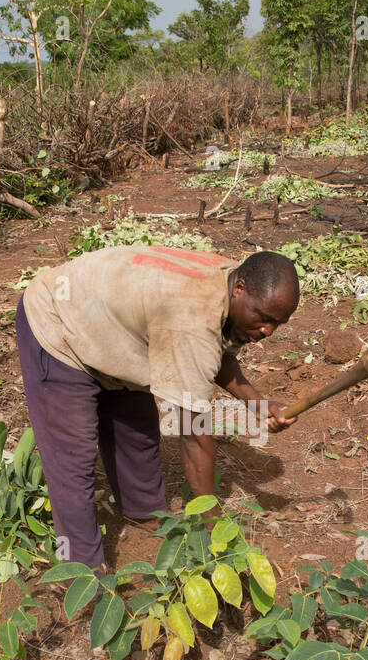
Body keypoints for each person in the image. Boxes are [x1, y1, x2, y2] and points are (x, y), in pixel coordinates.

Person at [15, 244, 300, 573]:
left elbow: (214, 353)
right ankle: (84, 577)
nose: (268, 331)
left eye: (278, 323)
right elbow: (193, 436)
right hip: (59, 327)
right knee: (72, 466)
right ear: (239, 288)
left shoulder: (230, 283)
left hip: (112, 326)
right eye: (263, 318)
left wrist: (257, 403)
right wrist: (213, 526)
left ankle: (144, 513)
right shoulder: (190, 318)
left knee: (137, 429)